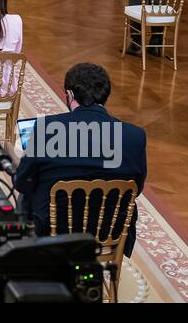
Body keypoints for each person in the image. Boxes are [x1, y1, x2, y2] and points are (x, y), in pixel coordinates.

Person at [14, 63, 148, 255]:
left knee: (26, 192)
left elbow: (21, 183)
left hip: (53, 232)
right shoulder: (134, 136)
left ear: (69, 94)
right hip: (108, 230)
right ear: (105, 94)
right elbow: (137, 188)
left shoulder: (47, 129)